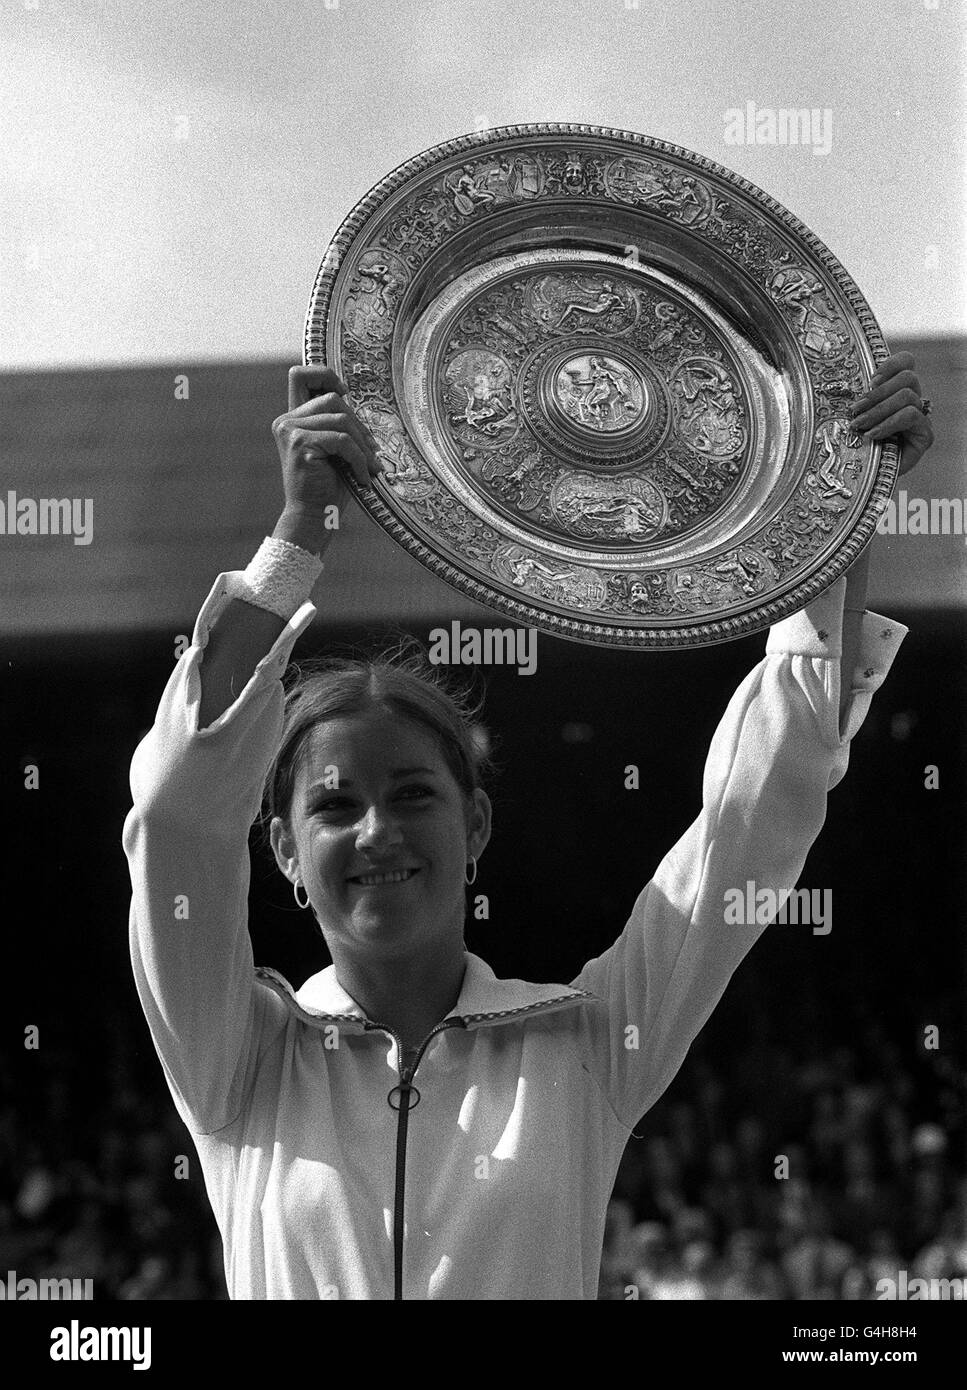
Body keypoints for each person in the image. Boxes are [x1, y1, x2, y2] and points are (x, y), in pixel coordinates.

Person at [123, 353, 934, 1300]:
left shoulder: (587, 1046)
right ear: (284, 853)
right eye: (335, 804)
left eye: (415, 794)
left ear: (474, 826)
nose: (377, 830)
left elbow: (752, 824)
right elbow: (175, 819)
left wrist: (834, 501)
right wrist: (299, 533)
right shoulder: (238, 1061)